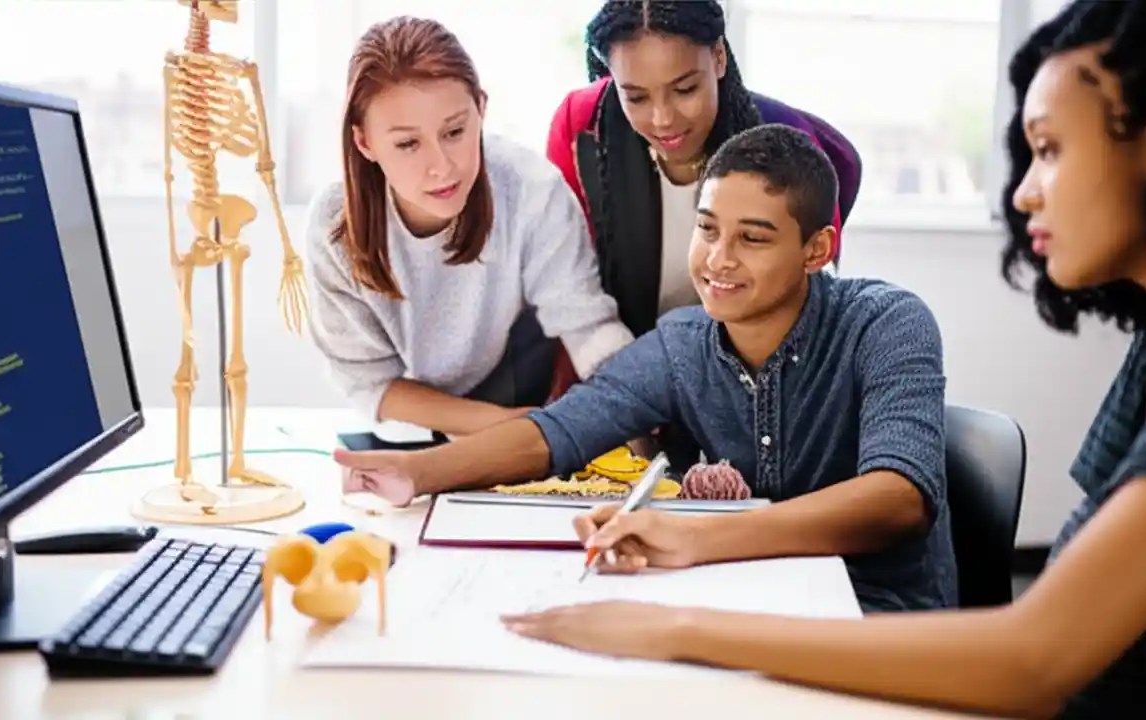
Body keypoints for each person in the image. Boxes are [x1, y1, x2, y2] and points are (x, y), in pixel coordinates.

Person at [499, 2, 1146, 718]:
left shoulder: (884, 319)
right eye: (709, 230)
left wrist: (675, 625)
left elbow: (1034, 658)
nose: (1022, 191)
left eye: (1049, 149)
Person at [336, 123, 958, 613]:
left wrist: (696, 537)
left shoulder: (887, 323)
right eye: (708, 229)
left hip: (872, 614)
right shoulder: (683, 343)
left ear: (817, 249)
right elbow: (558, 432)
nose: (718, 259)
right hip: (747, 597)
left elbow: (898, 498)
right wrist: (415, 470)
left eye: (754, 238)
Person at [304, 16, 634, 437]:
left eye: (455, 131)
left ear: (481, 107)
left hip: (513, 389)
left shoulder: (532, 190)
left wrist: (638, 412)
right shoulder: (334, 226)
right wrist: (513, 430)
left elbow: (588, 328)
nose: (441, 167)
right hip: (405, 426)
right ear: (364, 142)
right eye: (407, 144)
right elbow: (370, 383)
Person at [548, 0, 862, 340]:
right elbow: (567, 285)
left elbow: (809, 308)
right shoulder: (583, 125)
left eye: (685, 90)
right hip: (617, 360)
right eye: (636, 98)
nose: (663, 119)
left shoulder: (785, 141)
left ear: (718, 57)